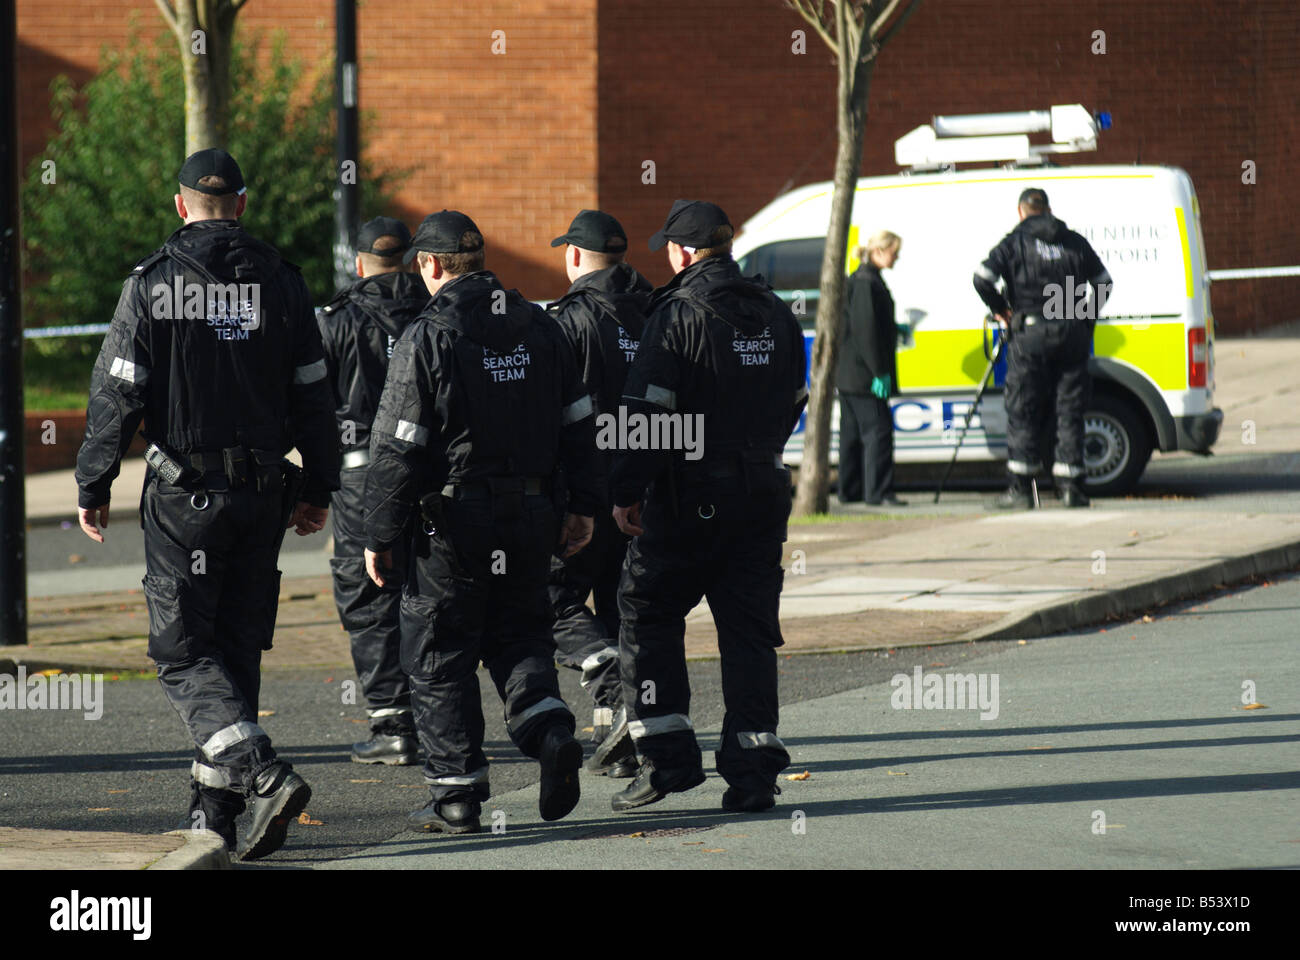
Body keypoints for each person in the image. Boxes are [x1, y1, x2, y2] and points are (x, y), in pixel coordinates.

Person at [74, 148, 341, 859]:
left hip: (185, 497)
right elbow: (317, 396)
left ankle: (260, 773)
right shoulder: (283, 283)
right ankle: (212, 821)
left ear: (180, 204)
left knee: (183, 650)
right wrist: (319, 487)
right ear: (243, 205)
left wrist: (92, 484)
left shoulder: (154, 283)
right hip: (262, 492)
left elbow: (117, 392)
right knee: (234, 648)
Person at [362, 210, 601, 834]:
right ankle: (549, 729)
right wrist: (582, 508)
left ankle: (457, 795)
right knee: (520, 634)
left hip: (455, 521)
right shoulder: (540, 327)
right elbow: (581, 424)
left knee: (439, 651)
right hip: (532, 513)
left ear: (431, 265)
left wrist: (378, 535)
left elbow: (397, 446)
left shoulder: (430, 334)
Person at [608, 199, 807, 814]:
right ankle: (752, 775)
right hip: (762, 490)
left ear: (686, 252)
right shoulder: (775, 311)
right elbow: (794, 399)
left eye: (669, 247)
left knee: (647, 611)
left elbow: (648, 414)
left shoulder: (675, 314)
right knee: (748, 633)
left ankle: (667, 759)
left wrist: (623, 491)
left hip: (691, 496)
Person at [544, 209, 653, 778]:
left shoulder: (569, 320)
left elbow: (557, 415)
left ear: (576, 257)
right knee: (620, 608)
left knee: (553, 601)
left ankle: (602, 673)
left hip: (586, 491)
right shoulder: (656, 310)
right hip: (643, 489)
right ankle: (618, 736)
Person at [317, 217, 429, 764]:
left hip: (360, 476)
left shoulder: (336, 321)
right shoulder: (435, 312)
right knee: (428, 588)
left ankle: (391, 723)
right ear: (411, 260)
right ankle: (436, 716)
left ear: (359, 263)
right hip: (432, 472)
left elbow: (310, 406)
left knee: (367, 596)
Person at [973, 187, 1112, 509]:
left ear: (1021, 211)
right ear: (1048, 209)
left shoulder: (1014, 243)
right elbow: (1104, 283)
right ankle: (1072, 488)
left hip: (1030, 335)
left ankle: (1021, 490)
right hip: (1072, 333)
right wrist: (1085, 320)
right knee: (1070, 409)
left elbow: (982, 278)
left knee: (1022, 408)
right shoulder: (1073, 241)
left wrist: (1002, 311)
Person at [836, 230, 905, 507]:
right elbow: (865, 331)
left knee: (852, 434)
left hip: (850, 374)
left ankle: (849, 490)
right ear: (879, 251)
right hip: (864, 375)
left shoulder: (860, 278)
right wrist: (879, 372)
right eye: (894, 252)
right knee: (878, 431)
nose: (897, 257)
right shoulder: (867, 282)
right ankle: (879, 493)